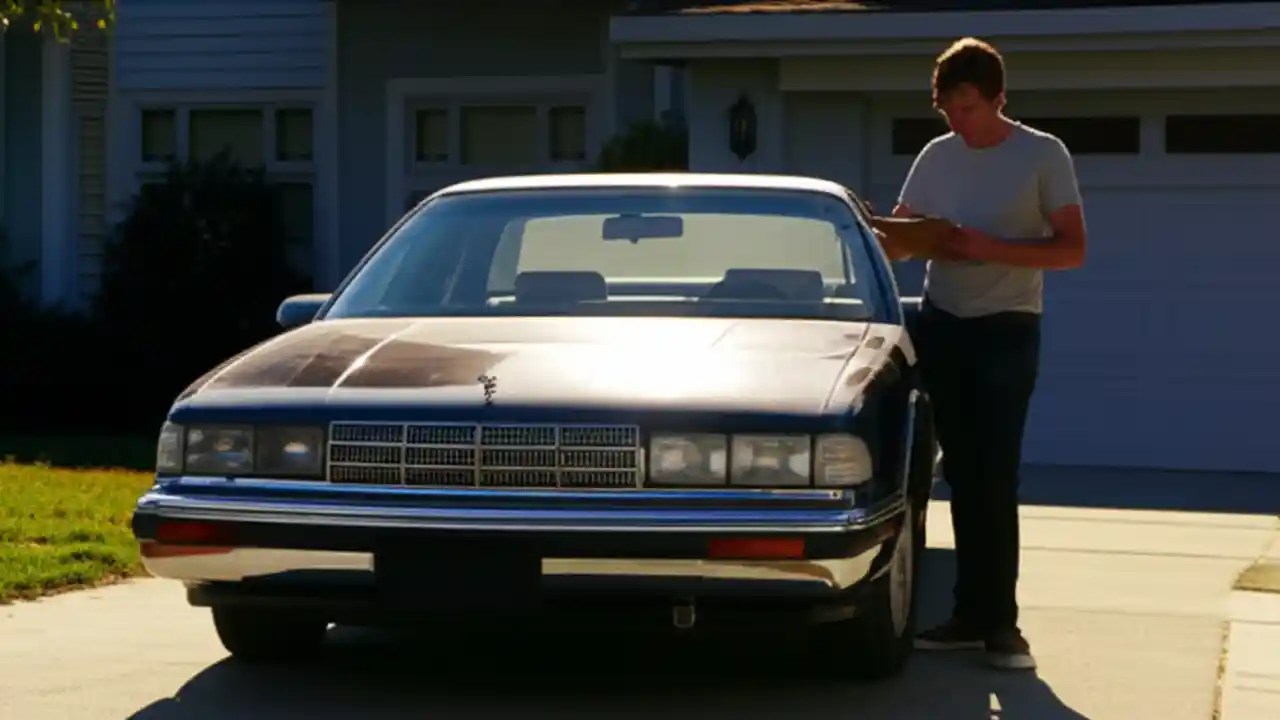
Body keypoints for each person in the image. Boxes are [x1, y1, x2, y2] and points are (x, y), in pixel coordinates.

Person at [879, 37, 1088, 670]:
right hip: (942, 324)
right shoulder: (936, 155)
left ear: (998, 99)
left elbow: (1071, 249)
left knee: (995, 477)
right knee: (955, 476)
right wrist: (884, 234)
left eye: (967, 108)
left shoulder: (1043, 155)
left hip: (1007, 328)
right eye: (946, 108)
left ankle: (1003, 628)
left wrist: (987, 248)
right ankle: (968, 616)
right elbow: (898, 236)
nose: (956, 121)